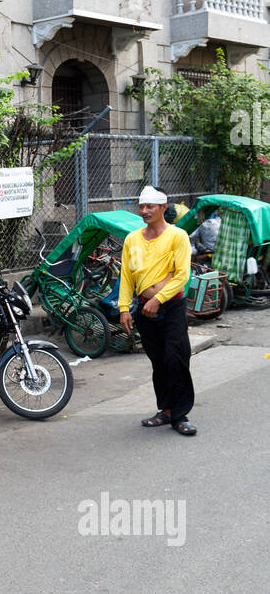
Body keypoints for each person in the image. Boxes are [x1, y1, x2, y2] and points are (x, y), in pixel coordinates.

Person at [118, 186, 196, 436]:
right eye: (142, 206)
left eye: (150, 206)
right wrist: (124, 309)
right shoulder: (132, 239)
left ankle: (180, 414)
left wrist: (158, 299)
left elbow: (182, 274)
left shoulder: (178, 236)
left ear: (164, 207)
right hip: (144, 307)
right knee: (158, 361)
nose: (144, 211)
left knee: (177, 357)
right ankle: (165, 410)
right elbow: (127, 276)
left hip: (172, 306)